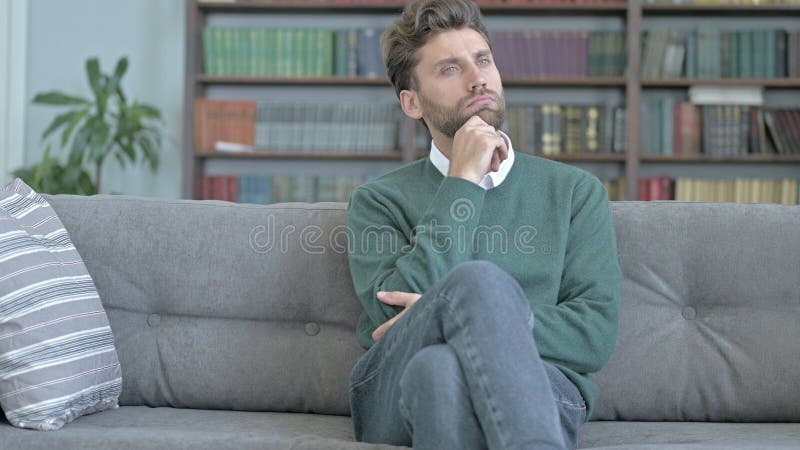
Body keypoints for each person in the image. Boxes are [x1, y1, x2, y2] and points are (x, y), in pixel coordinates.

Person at [346, 1, 622, 448]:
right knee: (476, 286)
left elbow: (594, 334)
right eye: (450, 69)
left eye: (483, 60)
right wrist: (463, 184)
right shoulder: (377, 201)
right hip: (389, 393)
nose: (478, 79)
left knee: (440, 368)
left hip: (543, 383)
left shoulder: (575, 192)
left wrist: (465, 315)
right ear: (411, 102)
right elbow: (393, 322)